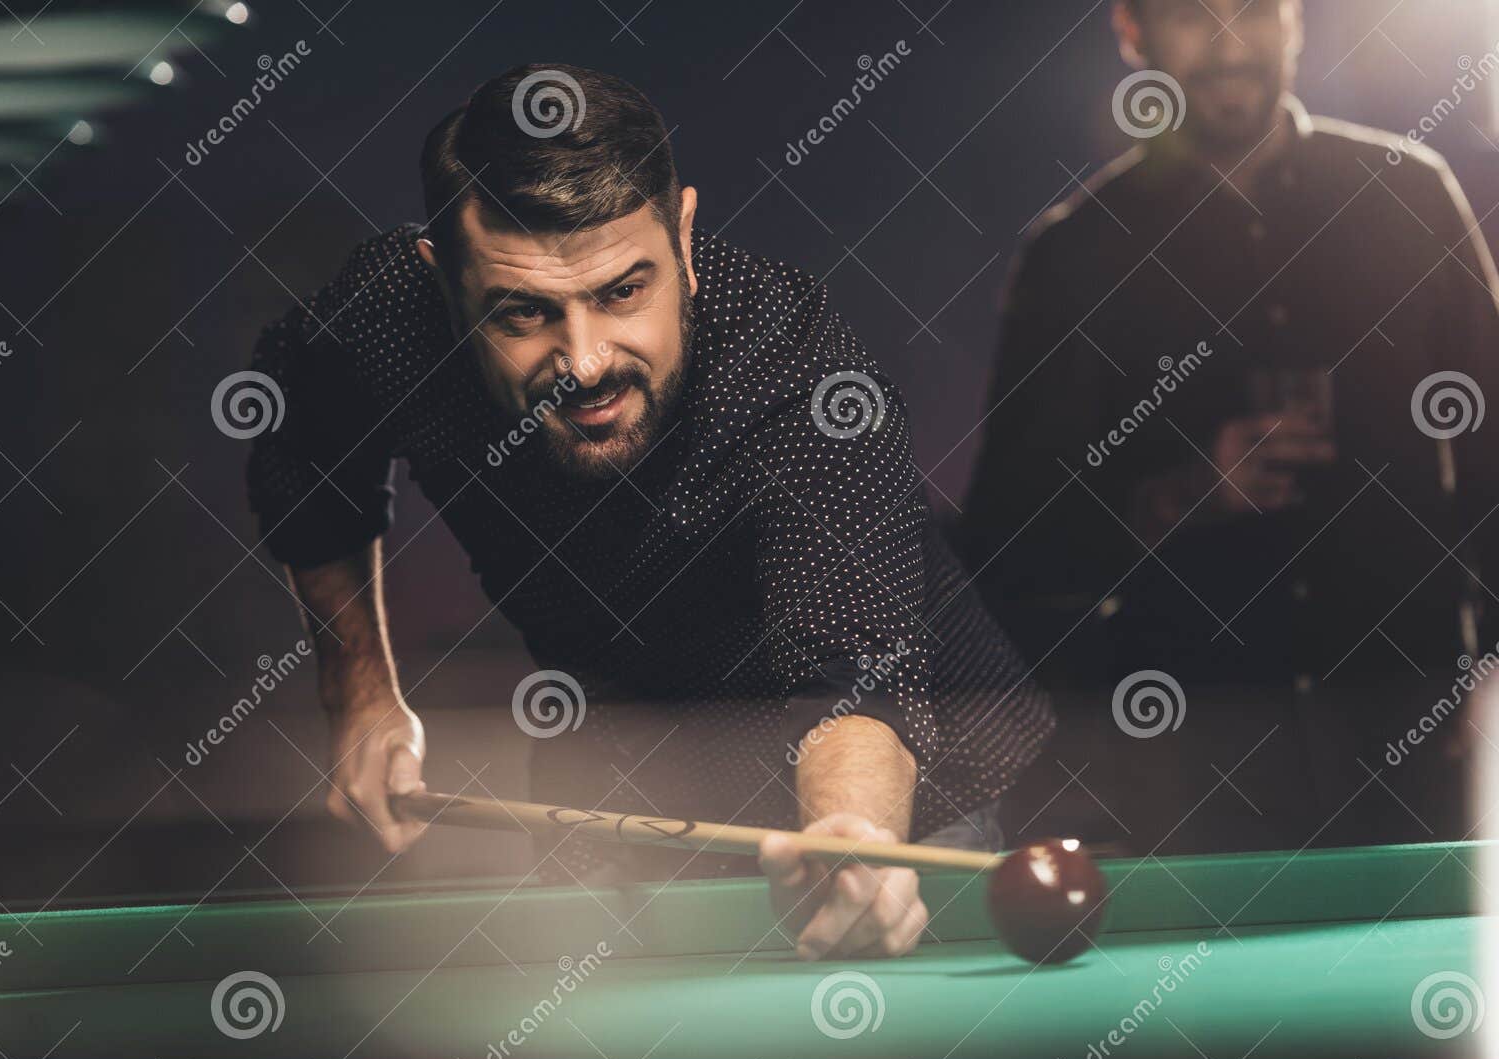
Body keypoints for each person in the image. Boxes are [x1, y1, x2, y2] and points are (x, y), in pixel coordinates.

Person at [246, 64, 1051, 960]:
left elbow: (854, 671)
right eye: (524, 314)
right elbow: (301, 442)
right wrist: (358, 692)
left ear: (685, 240)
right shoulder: (387, 320)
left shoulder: (801, 375)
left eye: (622, 292)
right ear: (444, 282)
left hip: (895, 794)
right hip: (621, 773)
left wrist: (853, 836)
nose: (586, 362)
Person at [961, 0, 1499, 856]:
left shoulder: (1412, 193)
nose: (1227, 44)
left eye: (1252, 9)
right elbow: (1007, 542)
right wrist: (1186, 493)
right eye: (1189, 14)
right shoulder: (1073, 256)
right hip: (1194, 771)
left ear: (1294, 19)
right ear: (1131, 31)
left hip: (1426, 747)